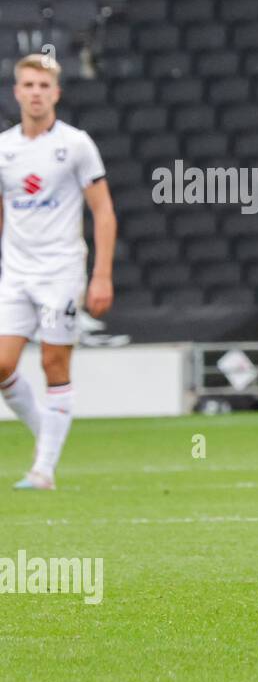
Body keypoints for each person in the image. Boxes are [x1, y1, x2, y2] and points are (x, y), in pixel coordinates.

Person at [0, 53, 117, 491]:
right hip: (15, 273)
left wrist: (101, 274)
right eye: (28, 85)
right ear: (16, 92)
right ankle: (47, 440)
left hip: (61, 271)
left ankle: (43, 469)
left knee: (53, 362)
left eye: (43, 86)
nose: (35, 93)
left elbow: (103, 211)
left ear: (56, 93)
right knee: (2, 365)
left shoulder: (77, 144)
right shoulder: (4, 148)